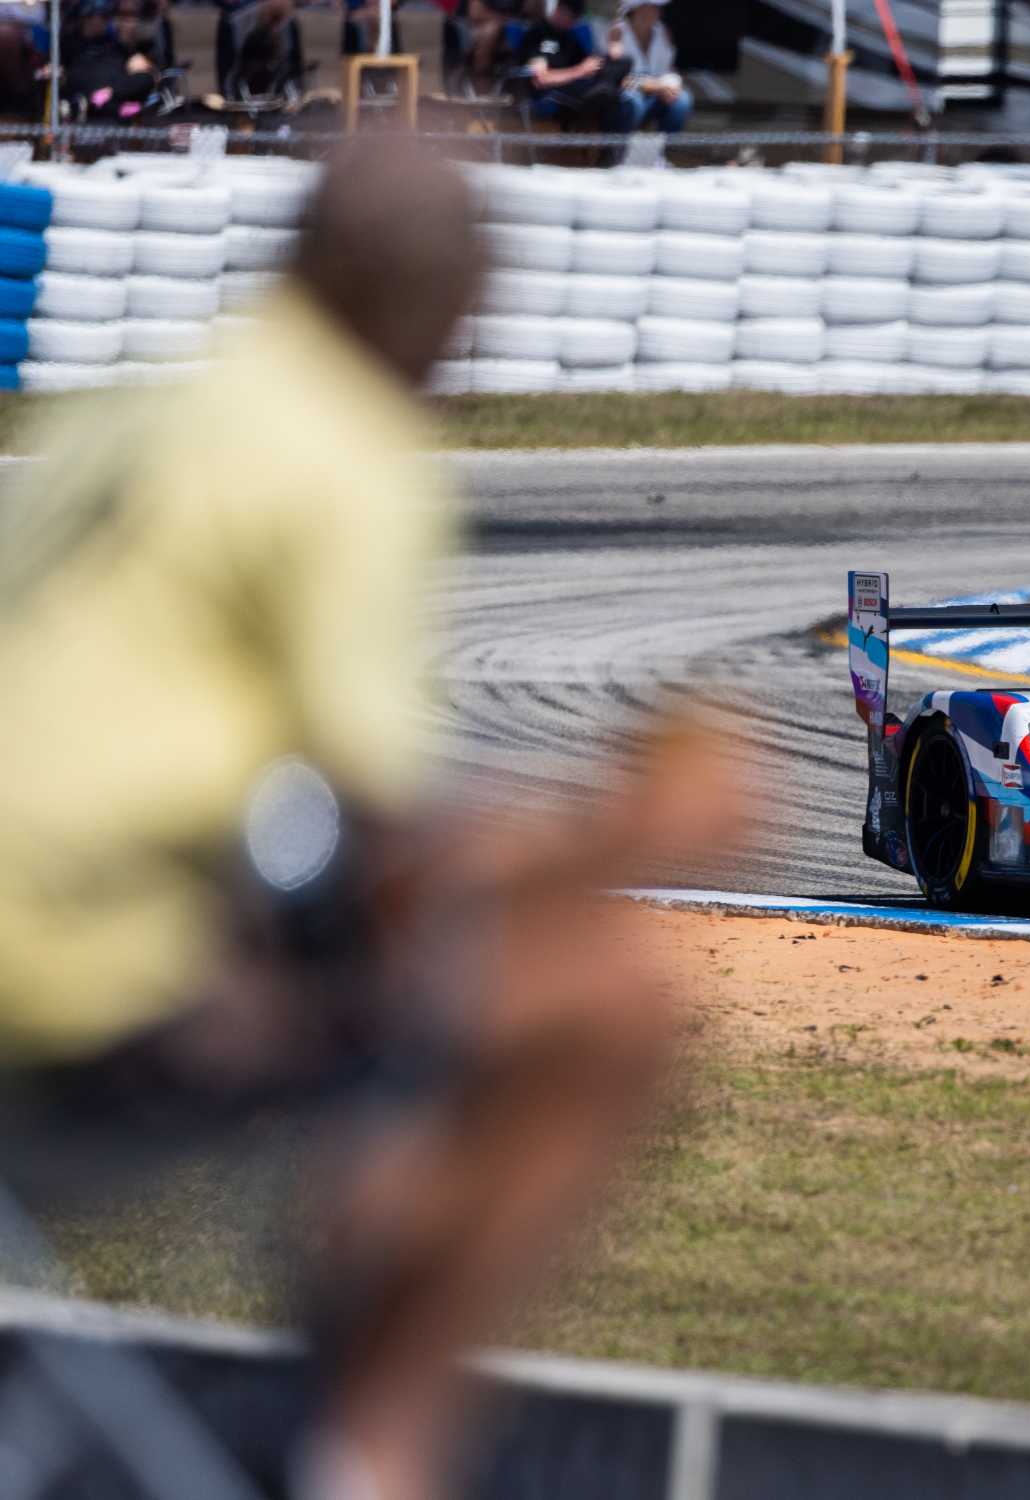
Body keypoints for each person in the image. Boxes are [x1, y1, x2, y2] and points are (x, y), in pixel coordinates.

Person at [0, 137, 739, 1500]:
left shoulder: (133, 412)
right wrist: (635, 829)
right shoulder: (344, 452)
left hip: (65, 941)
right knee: (603, 995)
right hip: (68, 997)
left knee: (387, 970)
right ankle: (369, 1460)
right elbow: (398, 857)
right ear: (450, 313)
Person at [517, 0, 615, 124]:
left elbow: (586, 64)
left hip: (578, 87)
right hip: (551, 94)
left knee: (619, 67)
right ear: (559, 9)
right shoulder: (537, 35)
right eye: (571, 16)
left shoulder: (569, 37)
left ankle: (607, 93)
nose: (572, 22)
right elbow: (541, 79)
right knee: (606, 101)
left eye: (576, 18)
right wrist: (581, 70)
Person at [607, 0, 688, 133]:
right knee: (633, 102)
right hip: (628, 95)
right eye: (649, 6)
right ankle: (617, 151)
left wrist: (672, 85)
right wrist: (655, 87)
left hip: (658, 94)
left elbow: (670, 69)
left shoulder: (663, 32)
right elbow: (617, 78)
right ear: (636, 8)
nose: (656, 11)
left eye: (656, 7)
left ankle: (665, 150)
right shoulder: (617, 32)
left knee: (682, 100)